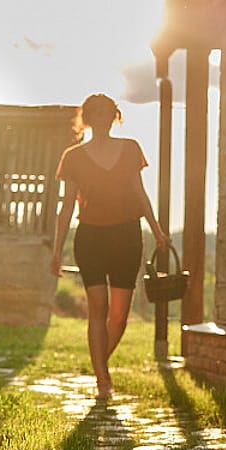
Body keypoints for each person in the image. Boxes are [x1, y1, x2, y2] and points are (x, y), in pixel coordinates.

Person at [49, 93, 169, 400]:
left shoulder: (130, 149)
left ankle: (98, 364)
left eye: (107, 112)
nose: (102, 118)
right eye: (96, 113)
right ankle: (103, 381)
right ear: (87, 118)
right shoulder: (73, 157)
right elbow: (66, 207)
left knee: (118, 316)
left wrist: (158, 231)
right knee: (98, 307)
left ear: (115, 116)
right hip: (90, 238)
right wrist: (56, 252)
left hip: (127, 236)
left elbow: (140, 193)